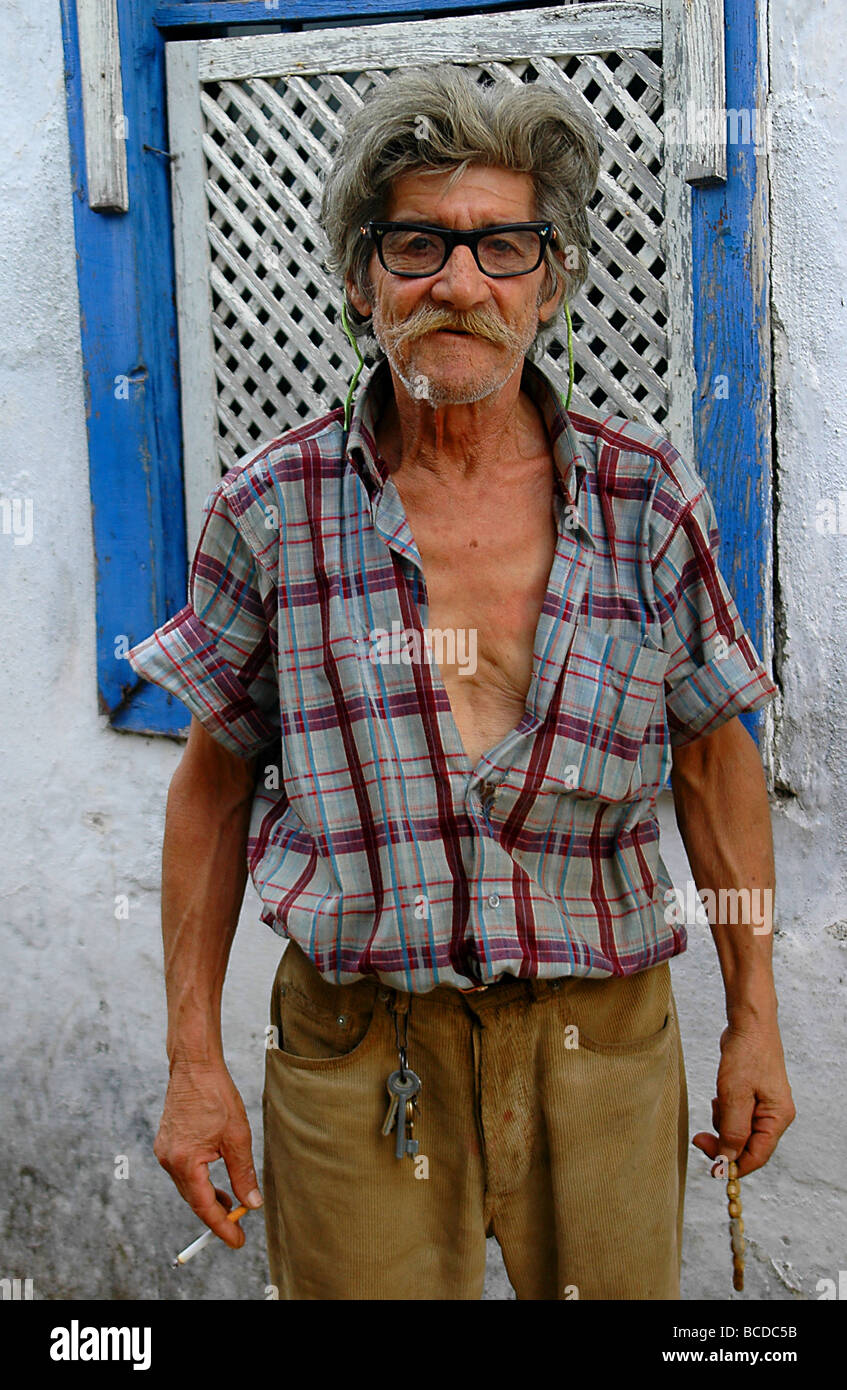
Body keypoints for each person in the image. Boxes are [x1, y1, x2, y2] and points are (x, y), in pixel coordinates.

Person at [126, 63, 794, 1300]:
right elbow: (212, 792)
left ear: (551, 282)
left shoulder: (646, 499)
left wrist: (755, 1011)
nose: (459, 282)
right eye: (419, 243)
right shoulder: (272, 507)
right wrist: (191, 1060)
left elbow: (713, 759)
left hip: (601, 1037)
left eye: (502, 246)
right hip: (354, 1043)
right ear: (360, 277)